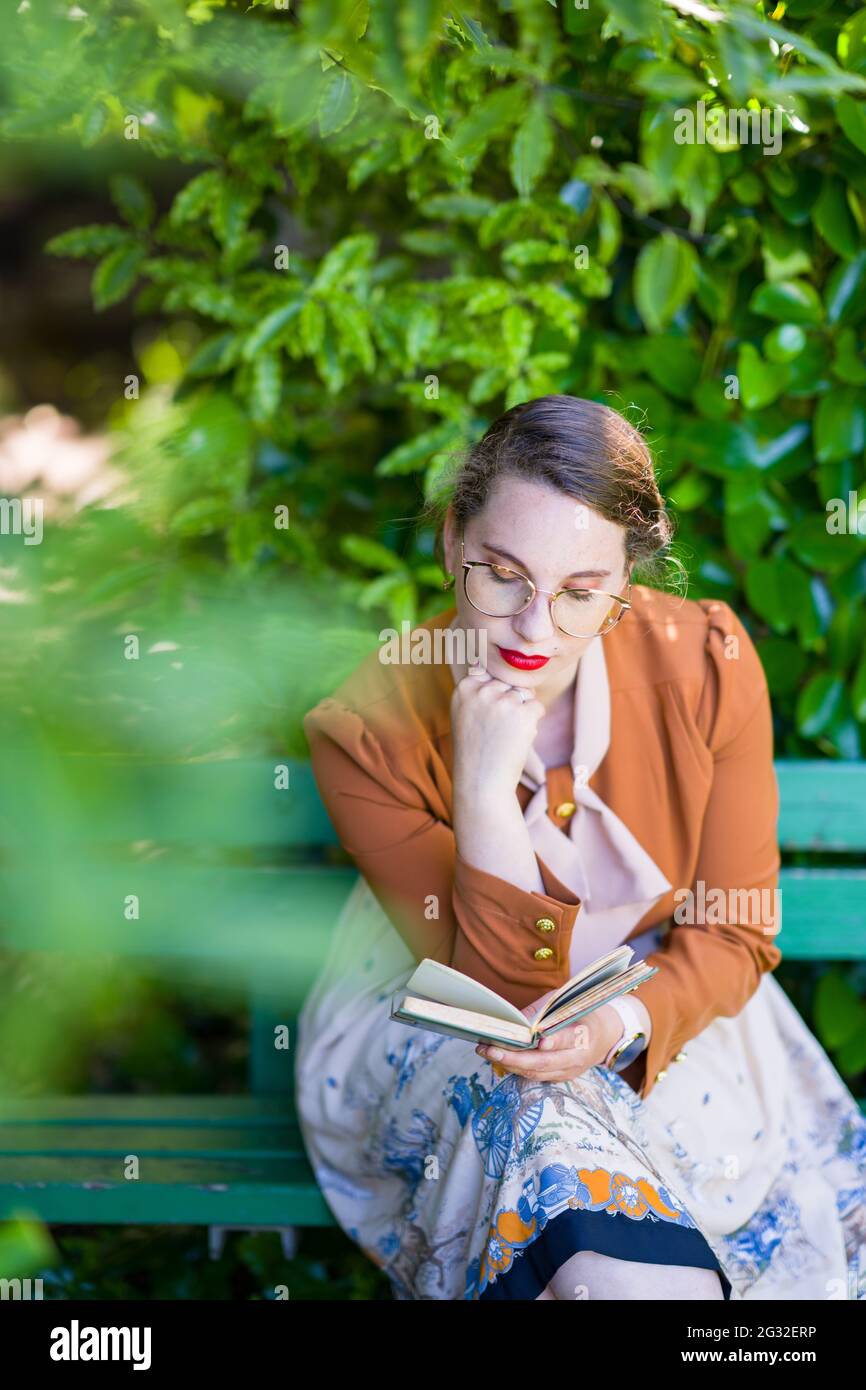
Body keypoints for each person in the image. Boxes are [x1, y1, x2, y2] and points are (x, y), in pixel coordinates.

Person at [295, 394, 866, 1301]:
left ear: (629, 579)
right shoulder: (362, 730)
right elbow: (501, 1011)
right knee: (532, 1107)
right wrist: (485, 793)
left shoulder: (707, 659)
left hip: (661, 1002)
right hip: (438, 1011)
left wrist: (619, 1024)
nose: (534, 627)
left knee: (590, 1195)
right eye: (501, 574)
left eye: (580, 591)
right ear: (452, 541)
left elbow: (734, 935)